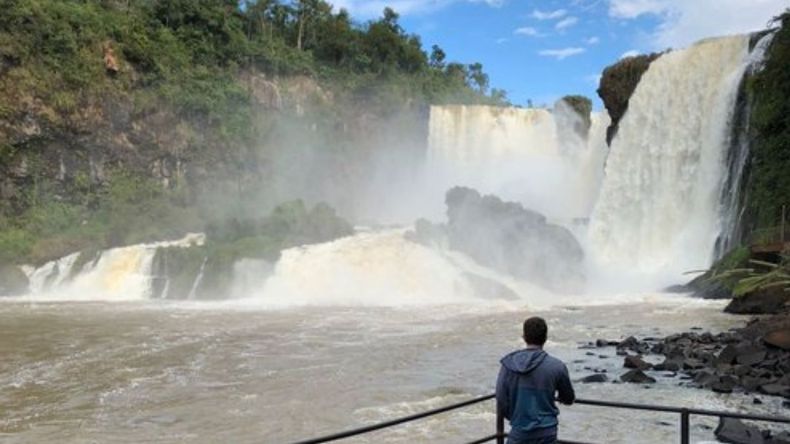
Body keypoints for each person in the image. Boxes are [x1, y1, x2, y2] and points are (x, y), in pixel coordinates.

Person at [496, 316, 575, 444]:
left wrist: (515, 417)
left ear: (524, 337)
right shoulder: (557, 366)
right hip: (547, 433)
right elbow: (568, 398)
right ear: (545, 338)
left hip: (519, 431)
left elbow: (501, 398)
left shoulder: (509, 365)